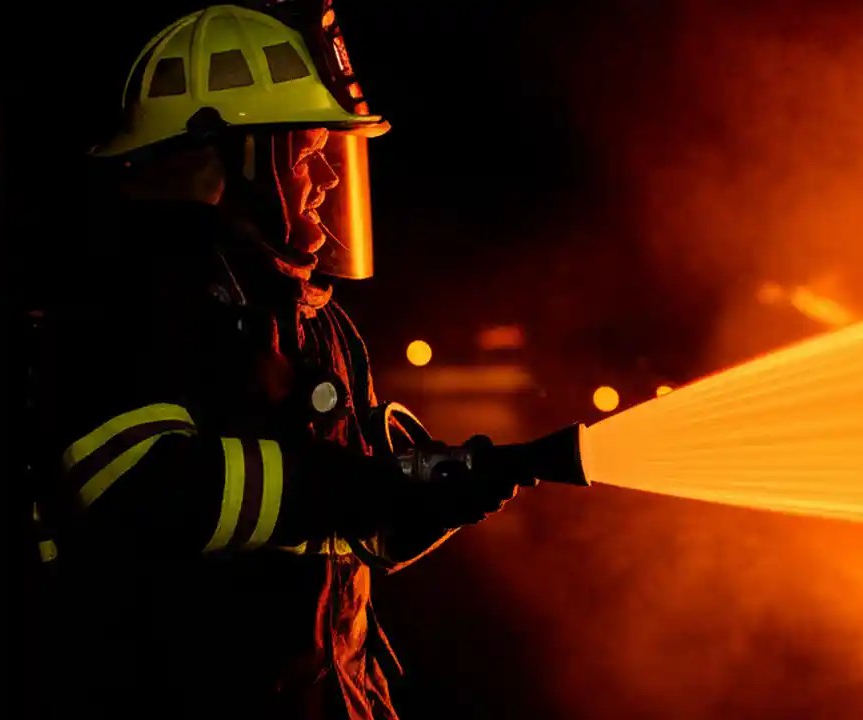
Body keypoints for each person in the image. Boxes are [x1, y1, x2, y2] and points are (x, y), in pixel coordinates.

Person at [32, 2, 532, 718]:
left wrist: (428, 501)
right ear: (231, 159)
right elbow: (135, 485)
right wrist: (364, 486)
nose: (328, 180)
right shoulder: (127, 294)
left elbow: (337, 526)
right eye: (306, 156)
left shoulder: (316, 322)